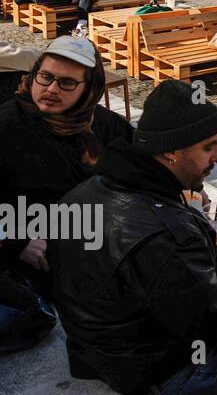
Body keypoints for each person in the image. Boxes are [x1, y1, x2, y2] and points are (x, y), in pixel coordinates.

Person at [47, 81, 217, 395]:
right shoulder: (160, 232)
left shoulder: (94, 188)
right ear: (172, 151)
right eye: (208, 147)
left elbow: (165, 284)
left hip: (96, 349)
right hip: (161, 370)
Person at [0, 38, 132, 291]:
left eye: (67, 82)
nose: (51, 89)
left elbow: (141, 161)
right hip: (40, 276)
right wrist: (16, 240)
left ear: (89, 89)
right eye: (45, 77)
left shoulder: (101, 122)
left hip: (99, 262)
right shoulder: (7, 125)